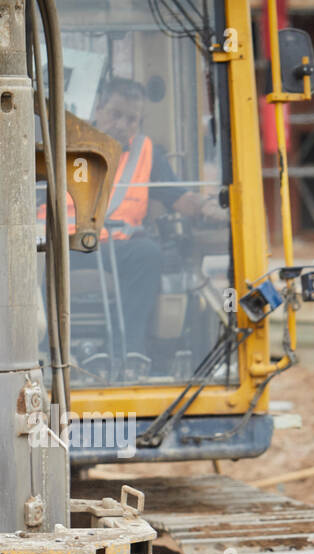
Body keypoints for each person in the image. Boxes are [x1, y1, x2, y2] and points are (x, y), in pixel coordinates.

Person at [73, 77, 225, 370]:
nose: (122, 124)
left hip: (119, 246)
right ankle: (49, 352)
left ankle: (129, 353)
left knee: (149, 253)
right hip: (68, 246)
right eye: (116, 114)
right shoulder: (66, 141)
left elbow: (179, 196)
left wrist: (210, 208)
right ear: (98, 108)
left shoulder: (147, 153)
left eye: (132, 119)